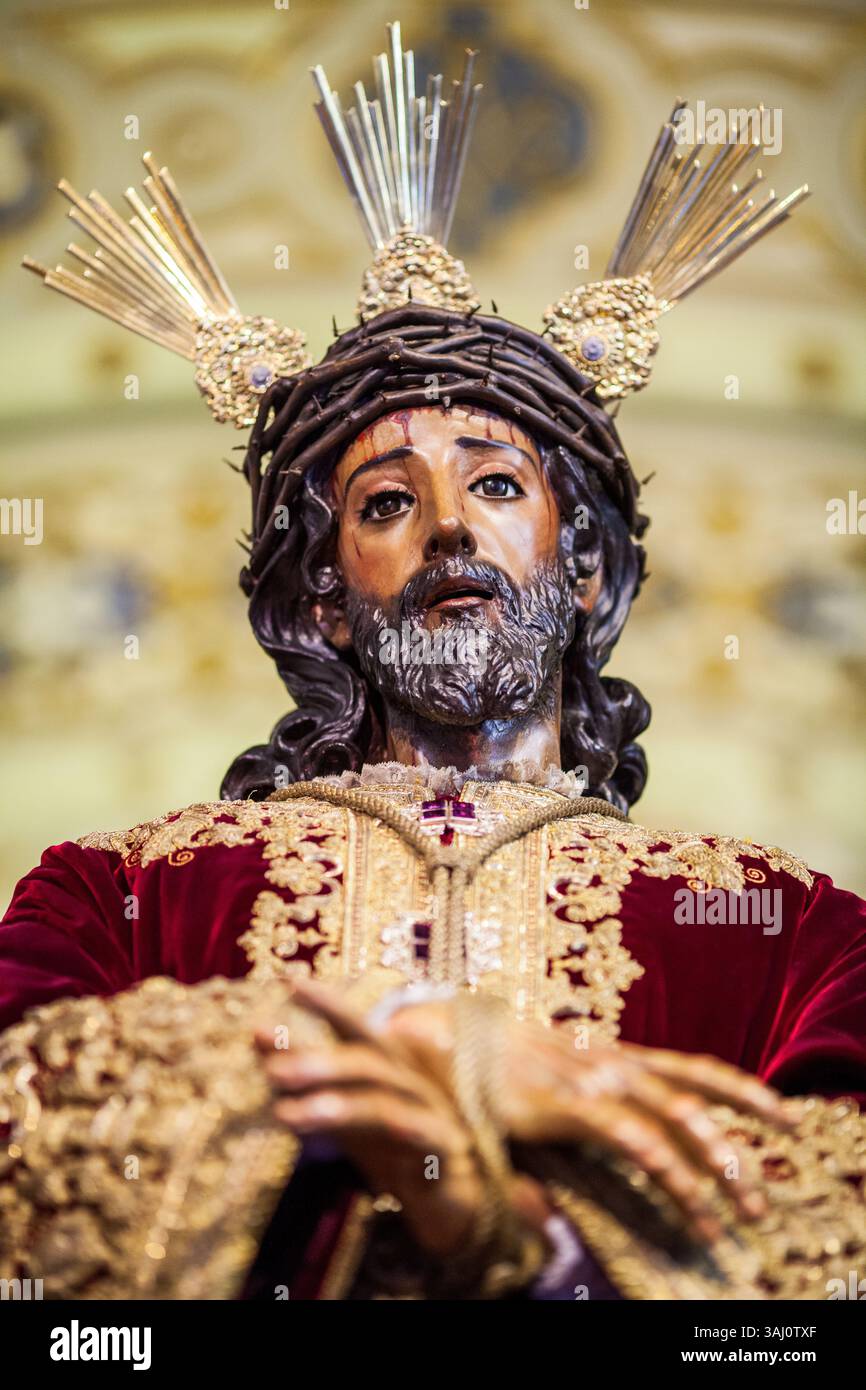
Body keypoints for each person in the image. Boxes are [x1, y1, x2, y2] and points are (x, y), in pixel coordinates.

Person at [4, 23, 863, 1300]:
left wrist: (524, 1241)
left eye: (499, 483)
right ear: (332, 603)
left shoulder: (783, 935)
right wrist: (435, 1051)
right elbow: (30, 1112)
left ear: (581, 570)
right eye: (387, 502)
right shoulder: (123, 898)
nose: (450, 523)